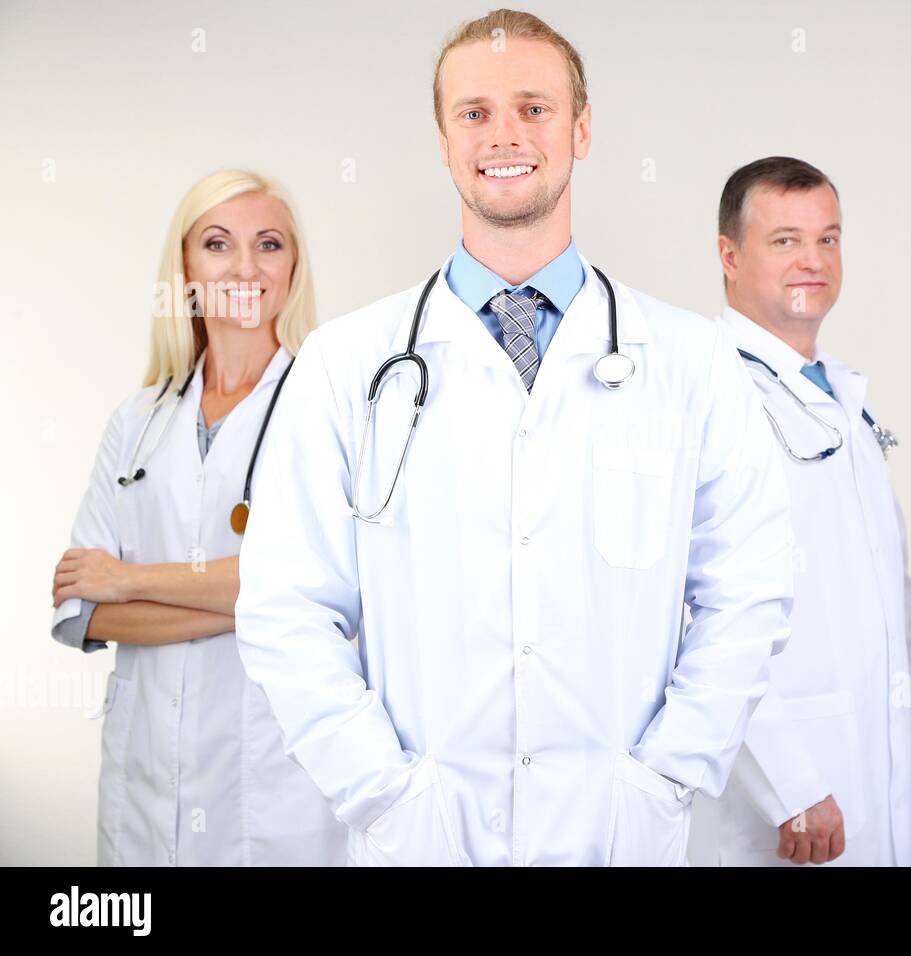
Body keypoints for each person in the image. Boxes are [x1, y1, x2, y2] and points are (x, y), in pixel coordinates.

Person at [233, 9, 793, 867]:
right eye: (475, 112)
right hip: (422, 832)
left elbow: (748, 592)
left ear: (582, 128)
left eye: (534, 107)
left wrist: (663, 776)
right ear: (443, 136)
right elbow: (285, 609)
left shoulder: (690, 360)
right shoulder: (348, 363)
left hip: (618, 831)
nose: (505, 134)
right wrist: (384, 792)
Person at [50, 168, 348, 866]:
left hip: (272, 787)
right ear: (184, 268)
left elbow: (331, 585)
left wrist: (127, 580)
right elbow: (80, 611)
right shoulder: (138, 421)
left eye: (269, 244)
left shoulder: (329, 410)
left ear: (293, 267)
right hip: (144, 783)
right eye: (218, 244)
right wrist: (258, 594)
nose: (245, 267)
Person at [686, 157, 911, 867]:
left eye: (828, 239)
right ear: (729, 256)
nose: (813, 260)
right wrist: (790, 784)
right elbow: (695, 615)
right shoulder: (704, 392)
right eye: (786, 240)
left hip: (878, 762)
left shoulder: (843, 396)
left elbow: (892, 594)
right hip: (778, 789)